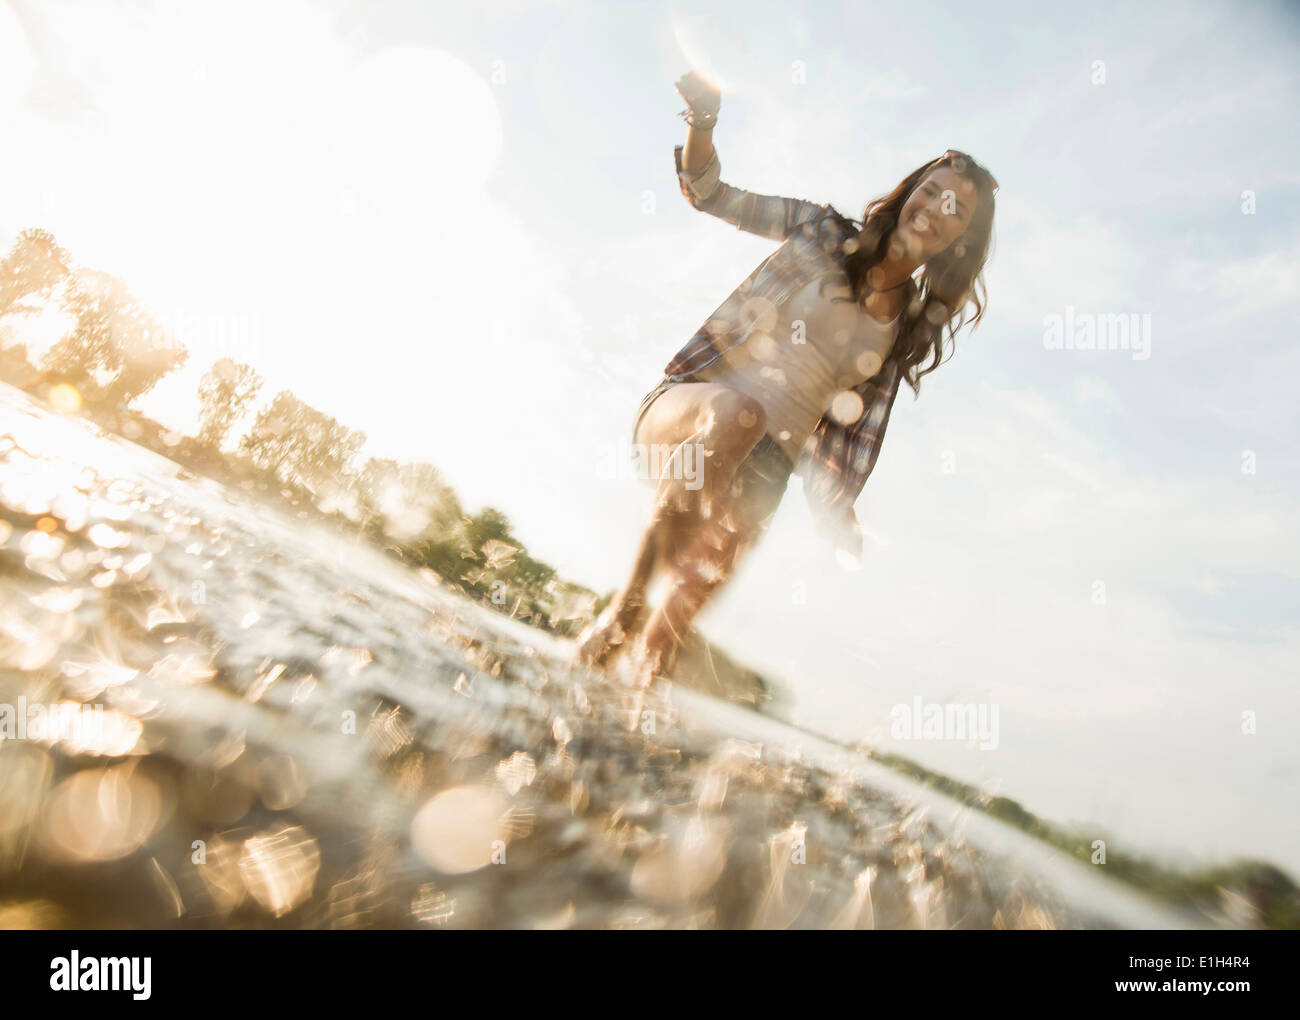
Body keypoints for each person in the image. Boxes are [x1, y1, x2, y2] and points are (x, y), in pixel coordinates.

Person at [577, 69, 998, 686]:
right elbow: (709, 190)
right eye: (932, 191)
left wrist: (841, 512)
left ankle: (611, 716)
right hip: (688, 414)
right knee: (739, 417)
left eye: (955, 209)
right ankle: (624, 608)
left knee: (662, 651)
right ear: (912, 190)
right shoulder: (820, 231)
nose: (936, 209)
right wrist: (703, 121)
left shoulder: (908, 325)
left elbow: (852, 435)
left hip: (763, 472)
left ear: (962, 239)